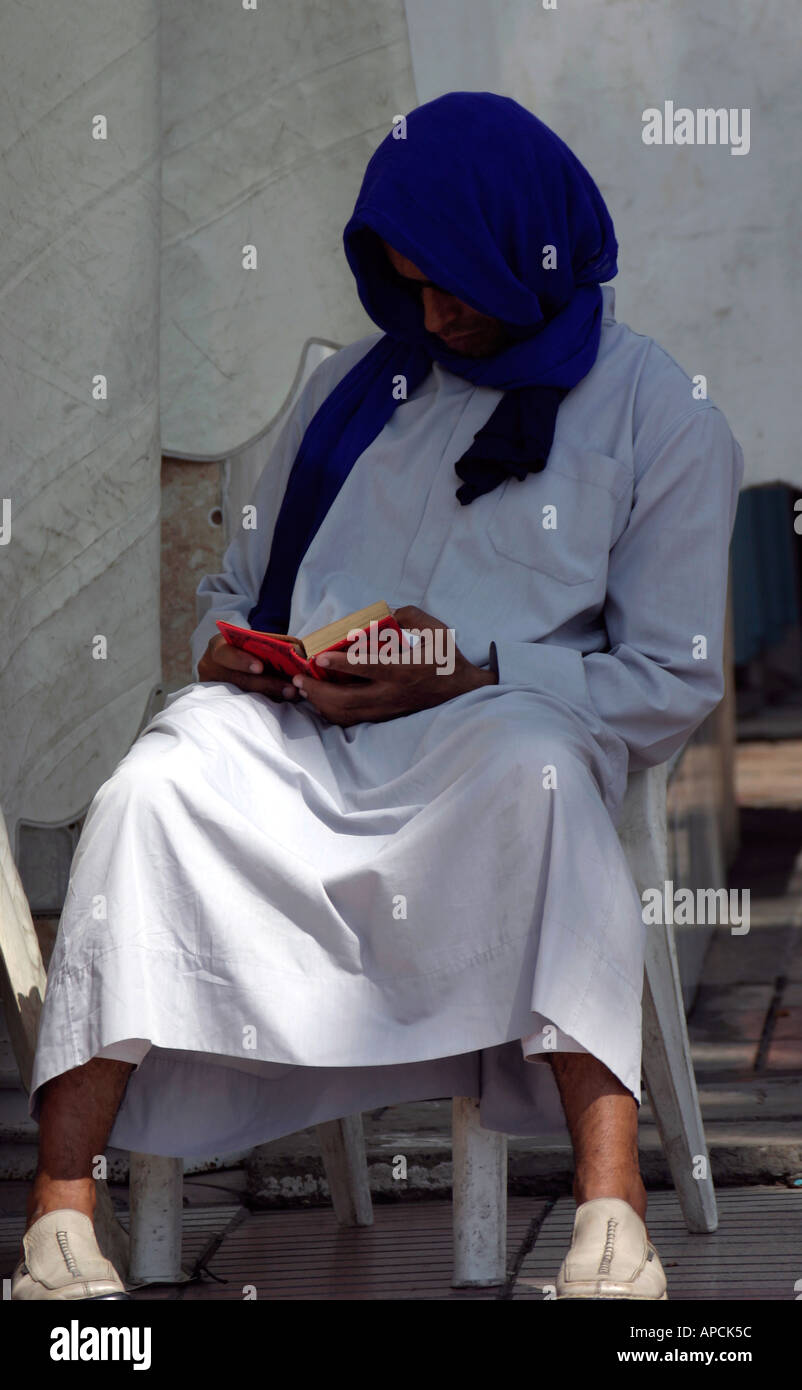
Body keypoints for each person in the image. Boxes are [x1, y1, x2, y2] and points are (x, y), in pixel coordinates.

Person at [13, 91, 743, 1302]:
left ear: (528, 250)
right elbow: (238, 587)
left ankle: (612, 1216)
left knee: (544, 776)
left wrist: (479, 669)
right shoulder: (356, 389)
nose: (433, 314)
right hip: (300, 733)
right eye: (408, 286)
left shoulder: (659, 418)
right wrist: (234, 653)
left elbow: (668, 681)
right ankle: (60, 1213)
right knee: (156, 780)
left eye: (455, 284)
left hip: (494, 740)